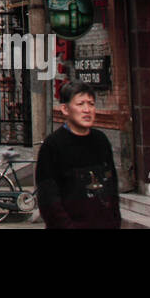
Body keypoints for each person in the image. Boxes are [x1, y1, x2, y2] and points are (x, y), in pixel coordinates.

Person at [34, 81, 121, 228]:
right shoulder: (53, 146)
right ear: (65, 109)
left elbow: (112, 188)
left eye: (91, 104)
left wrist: (115, 222)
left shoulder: (101, 140)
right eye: (80, 104)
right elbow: (49, 200)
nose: (87, 110)